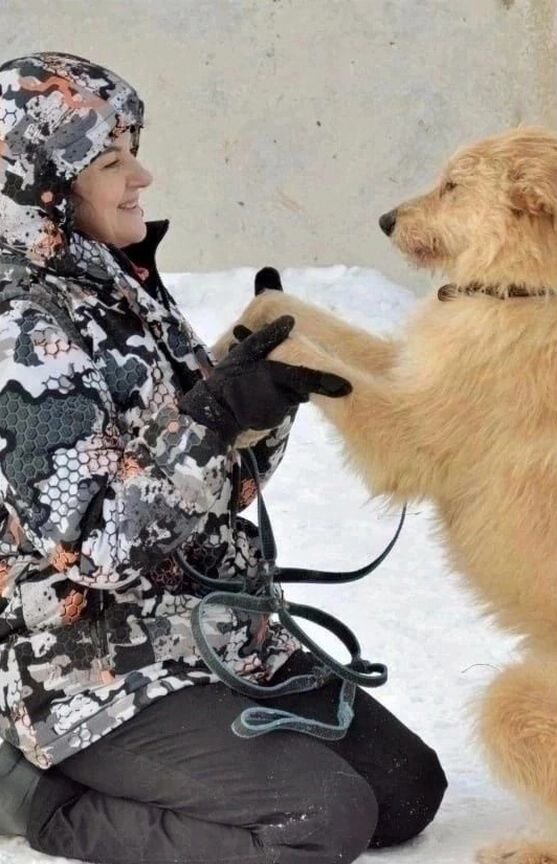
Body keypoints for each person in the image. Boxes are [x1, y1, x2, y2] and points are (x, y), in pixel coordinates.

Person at [0, 52, 446, 863]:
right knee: (319, 820)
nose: (143, 175)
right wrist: (211, 421)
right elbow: (97, 543)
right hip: (91, 667)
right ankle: (36, 798)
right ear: (44, 184)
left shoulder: (111, 279)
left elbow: (216, 484)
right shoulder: (17, 325)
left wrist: (262, 398)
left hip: (207, 634)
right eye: (111, 161)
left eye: (134, 148)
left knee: (406, 788)